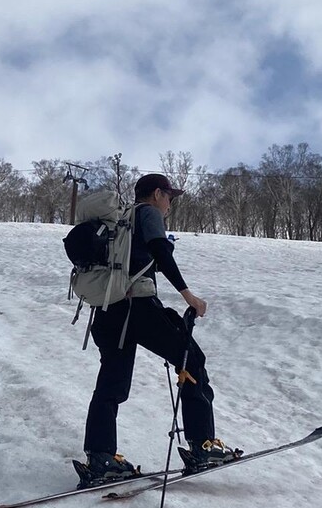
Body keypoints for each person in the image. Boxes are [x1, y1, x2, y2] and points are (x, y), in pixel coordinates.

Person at [76, 173, 241, 487]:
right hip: (137, 307)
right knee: (191, 360)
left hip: (107, 310)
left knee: (111, 382)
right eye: (169, 196)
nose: (170, 204)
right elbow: (160, 252)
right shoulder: (146, 213)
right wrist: (187, 294)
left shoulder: (120, 221)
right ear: (155, 194)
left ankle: (100, 458)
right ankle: (203, 445)